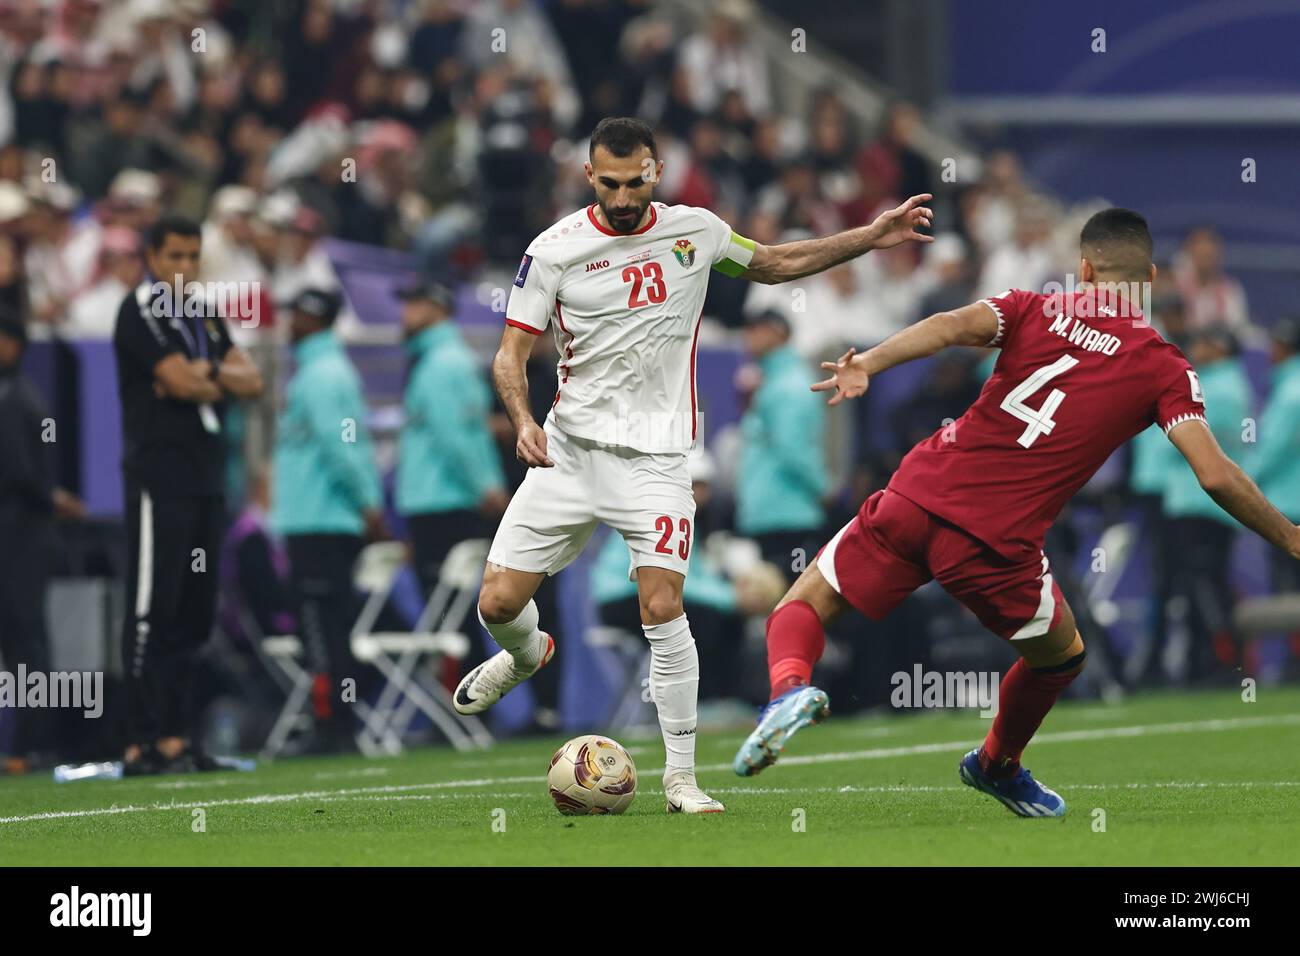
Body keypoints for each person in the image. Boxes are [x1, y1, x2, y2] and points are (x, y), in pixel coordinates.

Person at [734, 209, 1300, 818]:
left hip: (918, 493)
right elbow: (1213, 473)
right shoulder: (1166, 368)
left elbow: (951, 325)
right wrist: (1290, 538)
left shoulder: (1034, 307)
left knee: (804, 601)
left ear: (1082, 269)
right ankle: (997, 763)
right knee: (1061, 657)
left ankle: (787, 689)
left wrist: (868, 362)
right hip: (994, 545)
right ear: (1151, 279)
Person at [454, 115, 933, 814]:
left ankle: (681, 779)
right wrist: (524, 421)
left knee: (662, 605)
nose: (623, 196)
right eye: (609, 182)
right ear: (590, 176)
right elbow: (510, 354)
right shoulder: (554, 250)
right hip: (571, 452)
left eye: (635, 180)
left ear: (656, 169)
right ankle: (528, 655)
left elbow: (773, 262)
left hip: (655, 458)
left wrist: (870, 235)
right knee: (497, 602)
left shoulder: (696, 231)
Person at [113, 214, 264, 775]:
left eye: (192, 257)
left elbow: (251, 380)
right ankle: (138, 739)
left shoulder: (203, 312)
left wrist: (204, 374)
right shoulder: (140, 309)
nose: (184, 268)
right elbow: (180, 381)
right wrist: (204, 375)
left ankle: (178, 736)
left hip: (205, 478)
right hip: (160, 479)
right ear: (152, 257)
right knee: (151, 608)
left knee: (195, 612)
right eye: (174, 257)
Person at [270, 286, 385, 749]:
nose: (288, 323)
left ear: (313, 318)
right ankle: (338, 722)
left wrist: (367, 504)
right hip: (324, 519)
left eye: (296, 315)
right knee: (332, 626)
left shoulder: (319, 376)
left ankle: (332, 726)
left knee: (321, 629)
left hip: (319, 520)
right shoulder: (324, 372)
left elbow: (342, 449)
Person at [395, 278, 507, 666]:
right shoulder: (445, 360)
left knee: (447, 613)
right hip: (446, 499)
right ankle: (466, 706)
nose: (404, 314)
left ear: (436, 309)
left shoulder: (440, 364)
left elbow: (454, 436)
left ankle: (463, 706)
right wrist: (487, 486)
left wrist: (485, 487)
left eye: (413, 303)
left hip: (441, 502)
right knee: (452, 611)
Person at [0, 306, 85, 772]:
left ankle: (29, 745)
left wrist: (52, 498)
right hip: (17, 540)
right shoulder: (16, 397)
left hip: (21, 544)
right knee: (23, 642)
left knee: (26, 641)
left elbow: (21, 474)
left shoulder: (23, 401)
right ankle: (25, 744)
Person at [1159, 328, 1252, 683]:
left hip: (1199, 502)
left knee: (1203, 586)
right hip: (1211, 504)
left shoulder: (1216, 386)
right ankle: (1213, 661)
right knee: (1206, 584)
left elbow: (1187, 441)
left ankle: (1225, 662)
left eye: (1202, 341)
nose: (1195, 346)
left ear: (1218, 346)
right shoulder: (1232, 384)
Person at [735, 309, 828, 579]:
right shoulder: (773, 381)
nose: (748, 336)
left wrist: (824, 488)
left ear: (777, 333)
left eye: (756, 329)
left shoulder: (788, 385)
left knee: (788, 606)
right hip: (771, 516)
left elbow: (793, 449)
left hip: (788, 518)